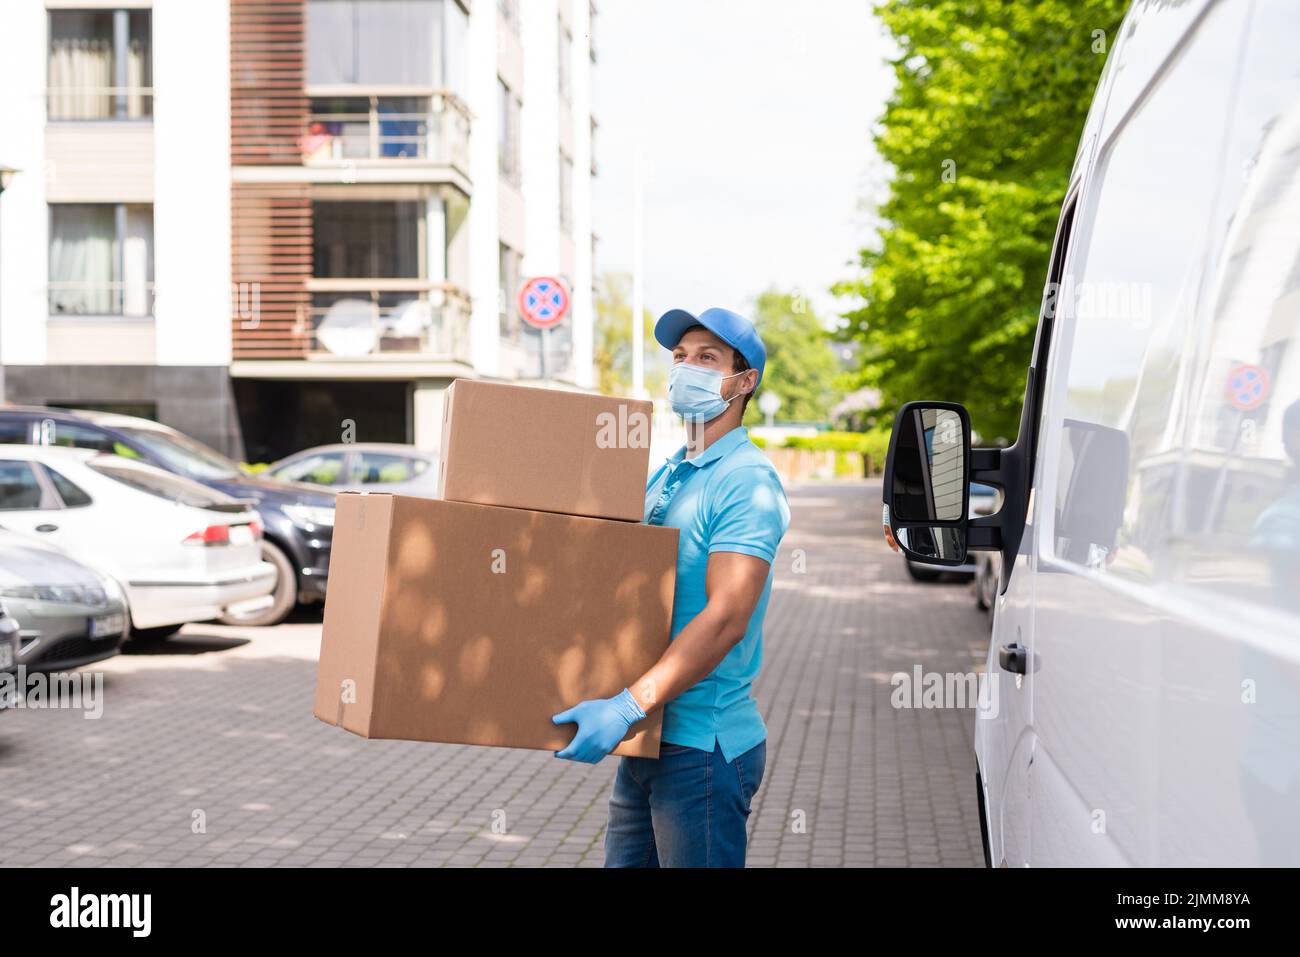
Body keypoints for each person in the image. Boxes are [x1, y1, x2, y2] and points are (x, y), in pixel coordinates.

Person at [551, 306, 791, 868]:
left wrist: (629, 704)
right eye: (680, 357)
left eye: (708, 358)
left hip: (700, 747)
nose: (687, 368)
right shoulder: (671, 472)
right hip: (647, 736)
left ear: (745, 380)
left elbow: (727, 617)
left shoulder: (746, 481)